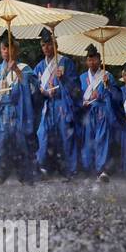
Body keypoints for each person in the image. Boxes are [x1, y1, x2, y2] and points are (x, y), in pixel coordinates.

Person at [0, 36, 37, 185]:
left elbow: (33, 90)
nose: (6, 51)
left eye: (10, 48)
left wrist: (17, 72)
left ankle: (26, 175)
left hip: (18, 112)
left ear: (16, 50)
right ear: (0, 51)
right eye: (4, 48)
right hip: (0, 111)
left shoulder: (25, 69)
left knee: (20, 144)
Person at [33, 27, 80, 180]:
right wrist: (42, 91)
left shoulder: (66, 62)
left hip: (62, 104)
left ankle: (69, 171)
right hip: (47, 106)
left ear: (55, 45)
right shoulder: (39, 66)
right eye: (43, 45)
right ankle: (43, 168)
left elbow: (75, 86)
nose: (46, 48)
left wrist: (64, 79)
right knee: (43, 136)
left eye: (49, 44)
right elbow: (34, 87)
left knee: (65, 136)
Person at [78, 45, 118, 182]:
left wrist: (108, 87)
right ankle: (91, 169)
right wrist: (82, 102)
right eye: (89, 60)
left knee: (102, 139)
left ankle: (102, 170)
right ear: (86, 62)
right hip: (88, 112)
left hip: (102, 111)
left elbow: (117, 97)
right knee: (89, 140)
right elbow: (77, 95)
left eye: (95, 59)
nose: (92, 62)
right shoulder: (82, 77)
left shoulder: (107, 76)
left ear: (100, 60)